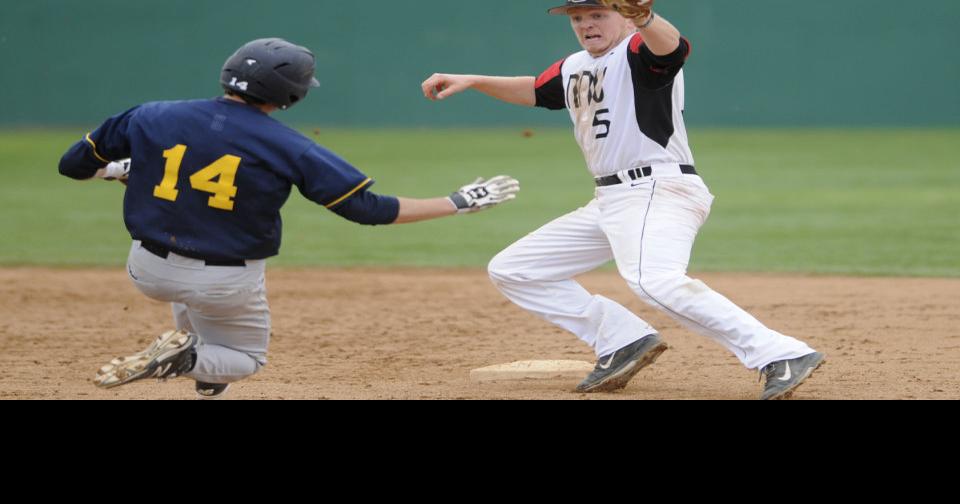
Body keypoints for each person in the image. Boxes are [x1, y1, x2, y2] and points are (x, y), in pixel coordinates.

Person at [60, 38, 520, 399]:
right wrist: (460, 200)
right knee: (245, 358)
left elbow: (73, 165)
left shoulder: (150, 115)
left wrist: (121, 169)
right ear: (291, 94)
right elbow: (368, 209)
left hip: (147, 271)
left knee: (194, 298)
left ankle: (200, 367)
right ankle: (188, 360)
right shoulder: (288, 146)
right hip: (224, 281)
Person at [421, 0, 824, 400]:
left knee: (654, 280)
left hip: (657, 189)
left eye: (598, 14)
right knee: (515, 269)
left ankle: (781, 354)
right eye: (578, 17)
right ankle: (623, 340)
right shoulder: (575, 66)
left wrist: (645, 18)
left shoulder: (636, 51)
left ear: (625, 18)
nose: (586, 24)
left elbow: (674, 49)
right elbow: (536, 91)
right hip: (611, 199)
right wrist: (473, 79)